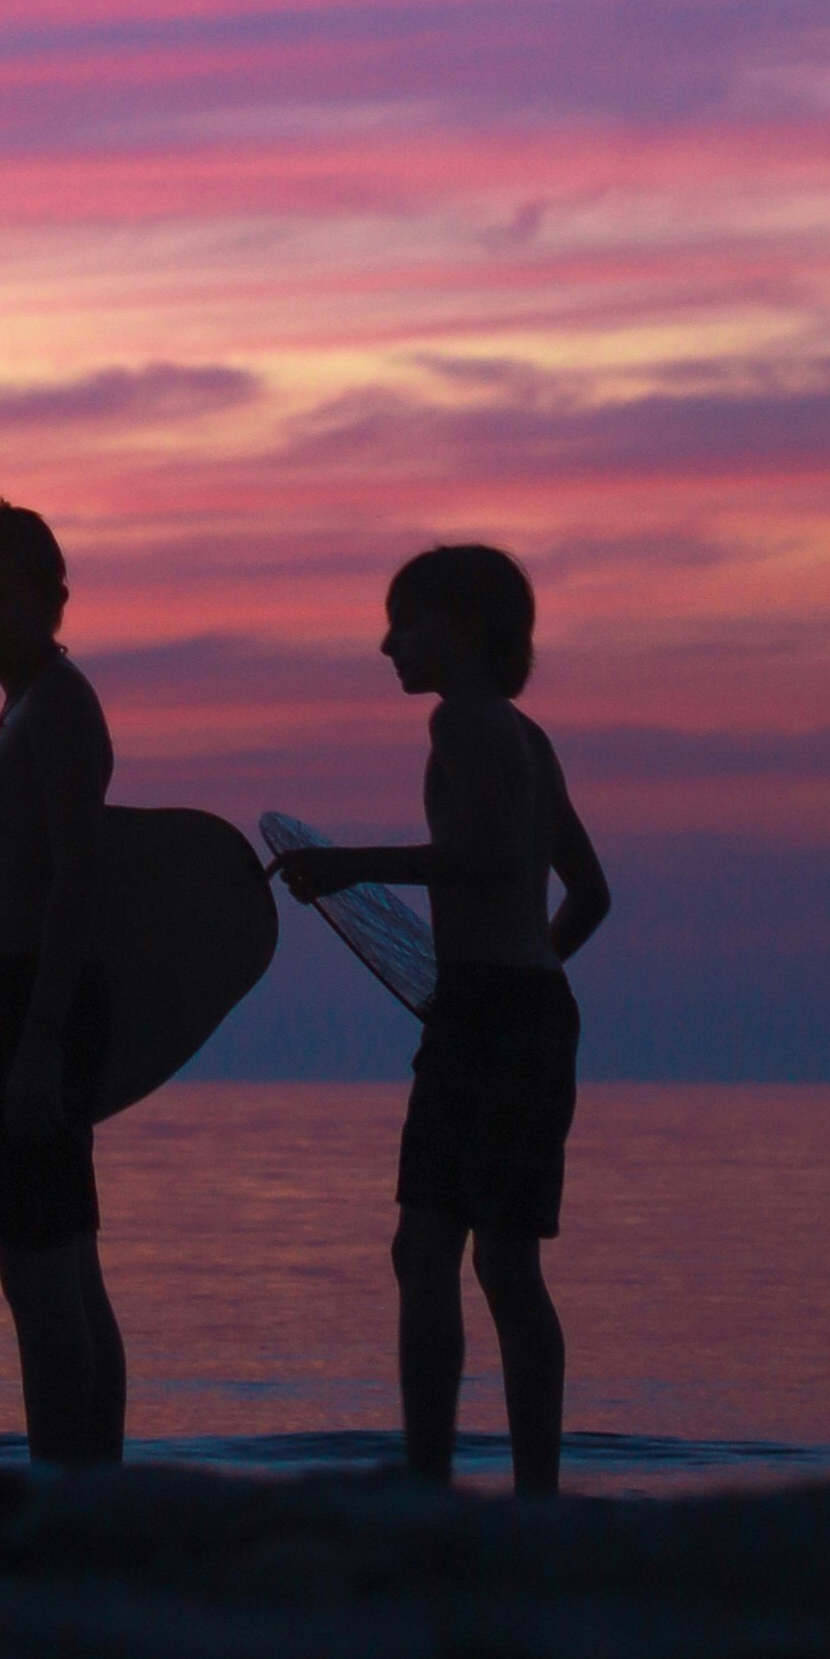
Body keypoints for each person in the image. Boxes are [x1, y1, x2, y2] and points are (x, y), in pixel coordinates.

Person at [285, 540, 610, 1494]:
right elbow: (588, 894)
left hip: (486, 1012)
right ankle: (535, 1499)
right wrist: (533, 964)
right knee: (506, 1267)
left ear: (461, 628)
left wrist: (349, 867)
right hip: (536, 1007)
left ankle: (428, 1487)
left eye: (404, 621)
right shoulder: (528, 734)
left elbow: (489, 862)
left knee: (427, 1249)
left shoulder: (462, 727)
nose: (387, 644)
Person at [0, 496, 129, 1469]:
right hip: (7, 1008)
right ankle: (92, 1484)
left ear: (51, 598)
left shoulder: (58, 707)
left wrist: (39, 1042)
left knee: (40, 1269)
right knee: (68, 1260)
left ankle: (67, 1488)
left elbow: (79, 878)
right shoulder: (23, 706)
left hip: (29, 1009)